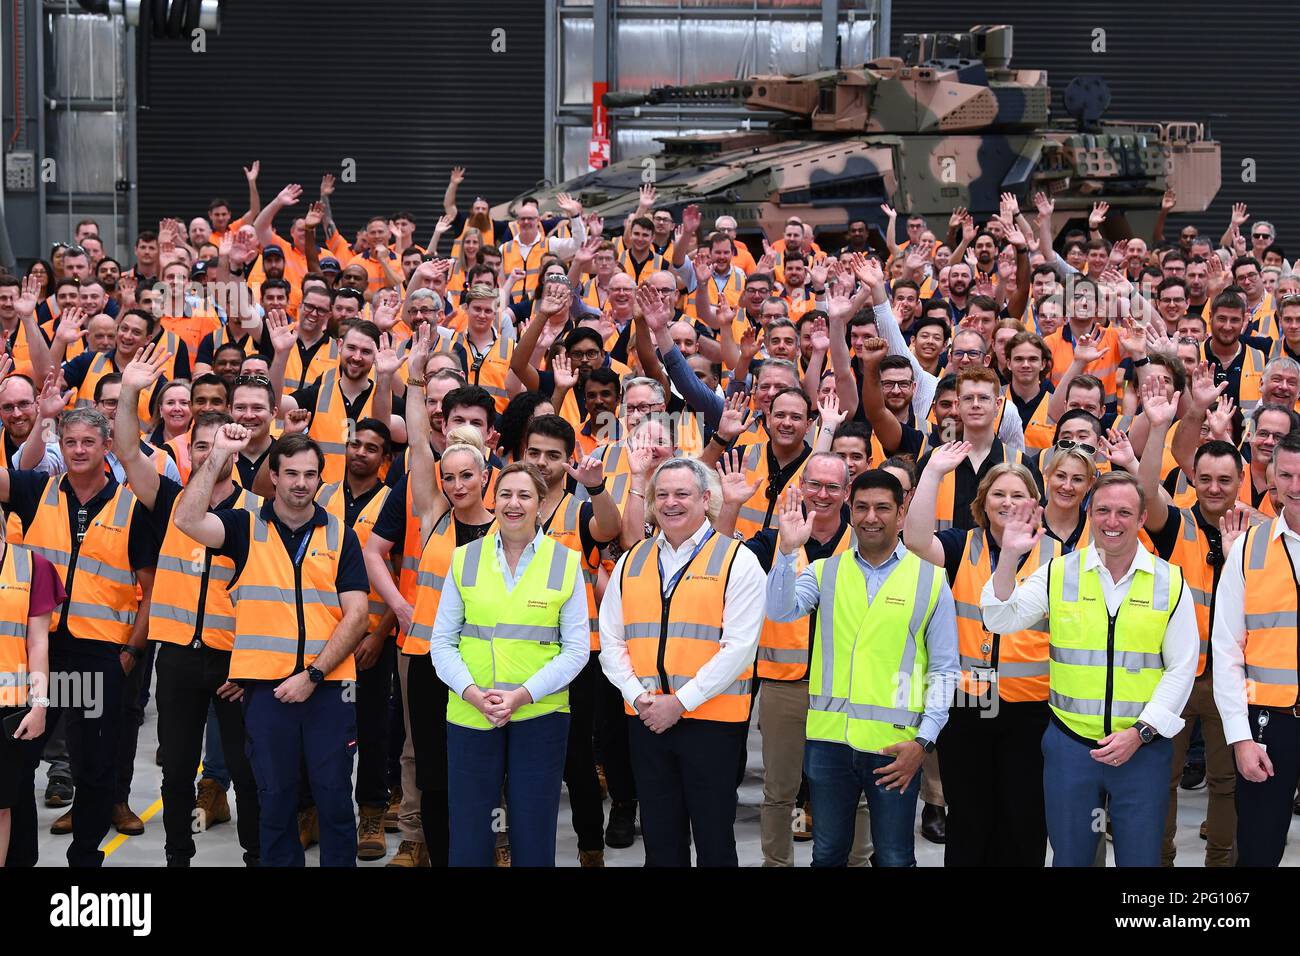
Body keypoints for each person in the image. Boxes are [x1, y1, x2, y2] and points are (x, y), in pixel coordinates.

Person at [174, 429, 370, 867]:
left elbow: (357, 616)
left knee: (336, 800)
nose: (301, 483)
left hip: (329, 690)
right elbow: (186, 519)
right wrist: (219, 454)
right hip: (266, 693)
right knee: (274, 802)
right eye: (291, 473)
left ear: (320, 479)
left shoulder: (341, 535)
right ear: (274, 478)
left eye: (310, 474)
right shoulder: (244, 526)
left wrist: (314, 674)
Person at [981, 471, 1197, 866]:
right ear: (1089, 512)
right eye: (1102, 511)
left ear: (1142, 517)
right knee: (1072, 858)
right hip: (1071, 747)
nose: (1112, 522)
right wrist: (1009, 556)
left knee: (1140, 860)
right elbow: (999, 620)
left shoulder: (1171, 582)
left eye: (1123, 512)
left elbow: (1182, 668)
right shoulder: (1058, 572)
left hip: (1142, 750)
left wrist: (1141, 731)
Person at [116, 343, 262, 866]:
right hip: (176, 658)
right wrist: (131, 391)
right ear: (189, 449)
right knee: (175, 770)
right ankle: (178, 856)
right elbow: (129, 451)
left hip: (233, 664)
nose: (209, 454)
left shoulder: (255, 512)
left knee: (247, 772)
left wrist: (248, 666)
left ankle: (256, 856)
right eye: (201, 446)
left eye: (219, 445)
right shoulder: (170, 501)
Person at [767, 468, 958, 867]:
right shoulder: (824, 572)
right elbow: (780, 610)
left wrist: (922, 744)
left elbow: (944, 670)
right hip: (828, 743)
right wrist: (787, 551)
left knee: (894, 857)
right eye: (863, 507)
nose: (872, 517)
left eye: (883, 508)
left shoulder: (932, 580)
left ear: (901, 515)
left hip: (896, 748)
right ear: (850, 512)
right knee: (828, 854)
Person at [0, 406, 158, 866]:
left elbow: (150, 591)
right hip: (36, 655)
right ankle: (20, 858)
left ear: (107, 446)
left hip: (95, 657)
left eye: (89, 441)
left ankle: (85, 856)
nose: (79, 450)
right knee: (19, 763)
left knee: (93, 765)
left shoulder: (132, 507)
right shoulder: (35, 491)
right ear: (60, 446)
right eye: (70, 442)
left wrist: (130, 651)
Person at [599, 457, 765, 867]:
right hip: (648, 719)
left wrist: (681, 702)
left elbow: (739, 648)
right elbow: (611, 640)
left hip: (712, 724)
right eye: (662, 495)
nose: (671, 503)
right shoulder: (631, 560)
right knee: (660, 842)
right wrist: (639, 698)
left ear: (706, 498)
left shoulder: (737, 559)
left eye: (682, 494)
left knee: (714, 842)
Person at [906, 444, 1062, 865]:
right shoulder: (962, 544)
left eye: (1018, 495)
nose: (1007, 502)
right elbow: (916, 540)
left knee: (1024, 818)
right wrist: (934, 472)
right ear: (982, 502)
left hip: (1032, 708)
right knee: (970, 818)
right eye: (998, 494)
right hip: (969, 703)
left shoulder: (1057, 555)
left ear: (1034, 503)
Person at [429, 462, 588, 866]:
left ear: (541, 503)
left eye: (524, 496)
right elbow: (442, 642)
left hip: (540, 715)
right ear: (492, 499)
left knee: (533, 831)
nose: (513, 504)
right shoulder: (464, 558)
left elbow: (576, 650)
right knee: (469, 832)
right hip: (471, 712)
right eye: (505, 495)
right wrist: (472, 693)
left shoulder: (565, 562)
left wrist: (521, 696)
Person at [716, 451, 858, 867]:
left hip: (848, 687)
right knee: (779, 791)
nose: (823, 494)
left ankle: (857, 861)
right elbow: (721, 556)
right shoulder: (772, 541)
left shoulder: (863, 540)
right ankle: (775, 863)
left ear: (847, 492)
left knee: (856, 791)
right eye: (814, 484)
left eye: (834, 486)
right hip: (785, 684)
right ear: (800, 487)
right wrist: (730, 505)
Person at [1139, 386, 1247, 868]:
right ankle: (1160, 865)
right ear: (1194, 480)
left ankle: (1222, 869)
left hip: (1232, 680)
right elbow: (1144, 490)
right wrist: (1159, 425)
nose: (1215, 488)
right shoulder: (1174, 524)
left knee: (1228, 784)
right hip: (1176, 676)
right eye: (1206, 479)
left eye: (1225, 479)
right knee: (1162, 777)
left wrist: (1234, 555)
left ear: (1240, 481)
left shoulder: (1261, 532)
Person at [522, 414, 621, 865]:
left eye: (553, 455)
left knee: (575, 756)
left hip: (576, 657)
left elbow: (610, 528)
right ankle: (520, 846)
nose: (542, 463)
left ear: (569, 460)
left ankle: (590, 848)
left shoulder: (579, 511)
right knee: (523, 759)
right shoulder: (506, 503)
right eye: (534, 453)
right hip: (516, 652)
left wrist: (596, 487)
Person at [1211, 431, 1300, 867]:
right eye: (1286, 474)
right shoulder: (1248, 548)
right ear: (1271, 478)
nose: (1297, 486)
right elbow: (1226, 649)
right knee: (1259, 852)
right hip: (1270, 727)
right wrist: (1240, 737)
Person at [0, 529, 64, 867]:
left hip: (7, 705)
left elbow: (38, 643)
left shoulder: (32, 567)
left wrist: (39, 706)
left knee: (1, 805)